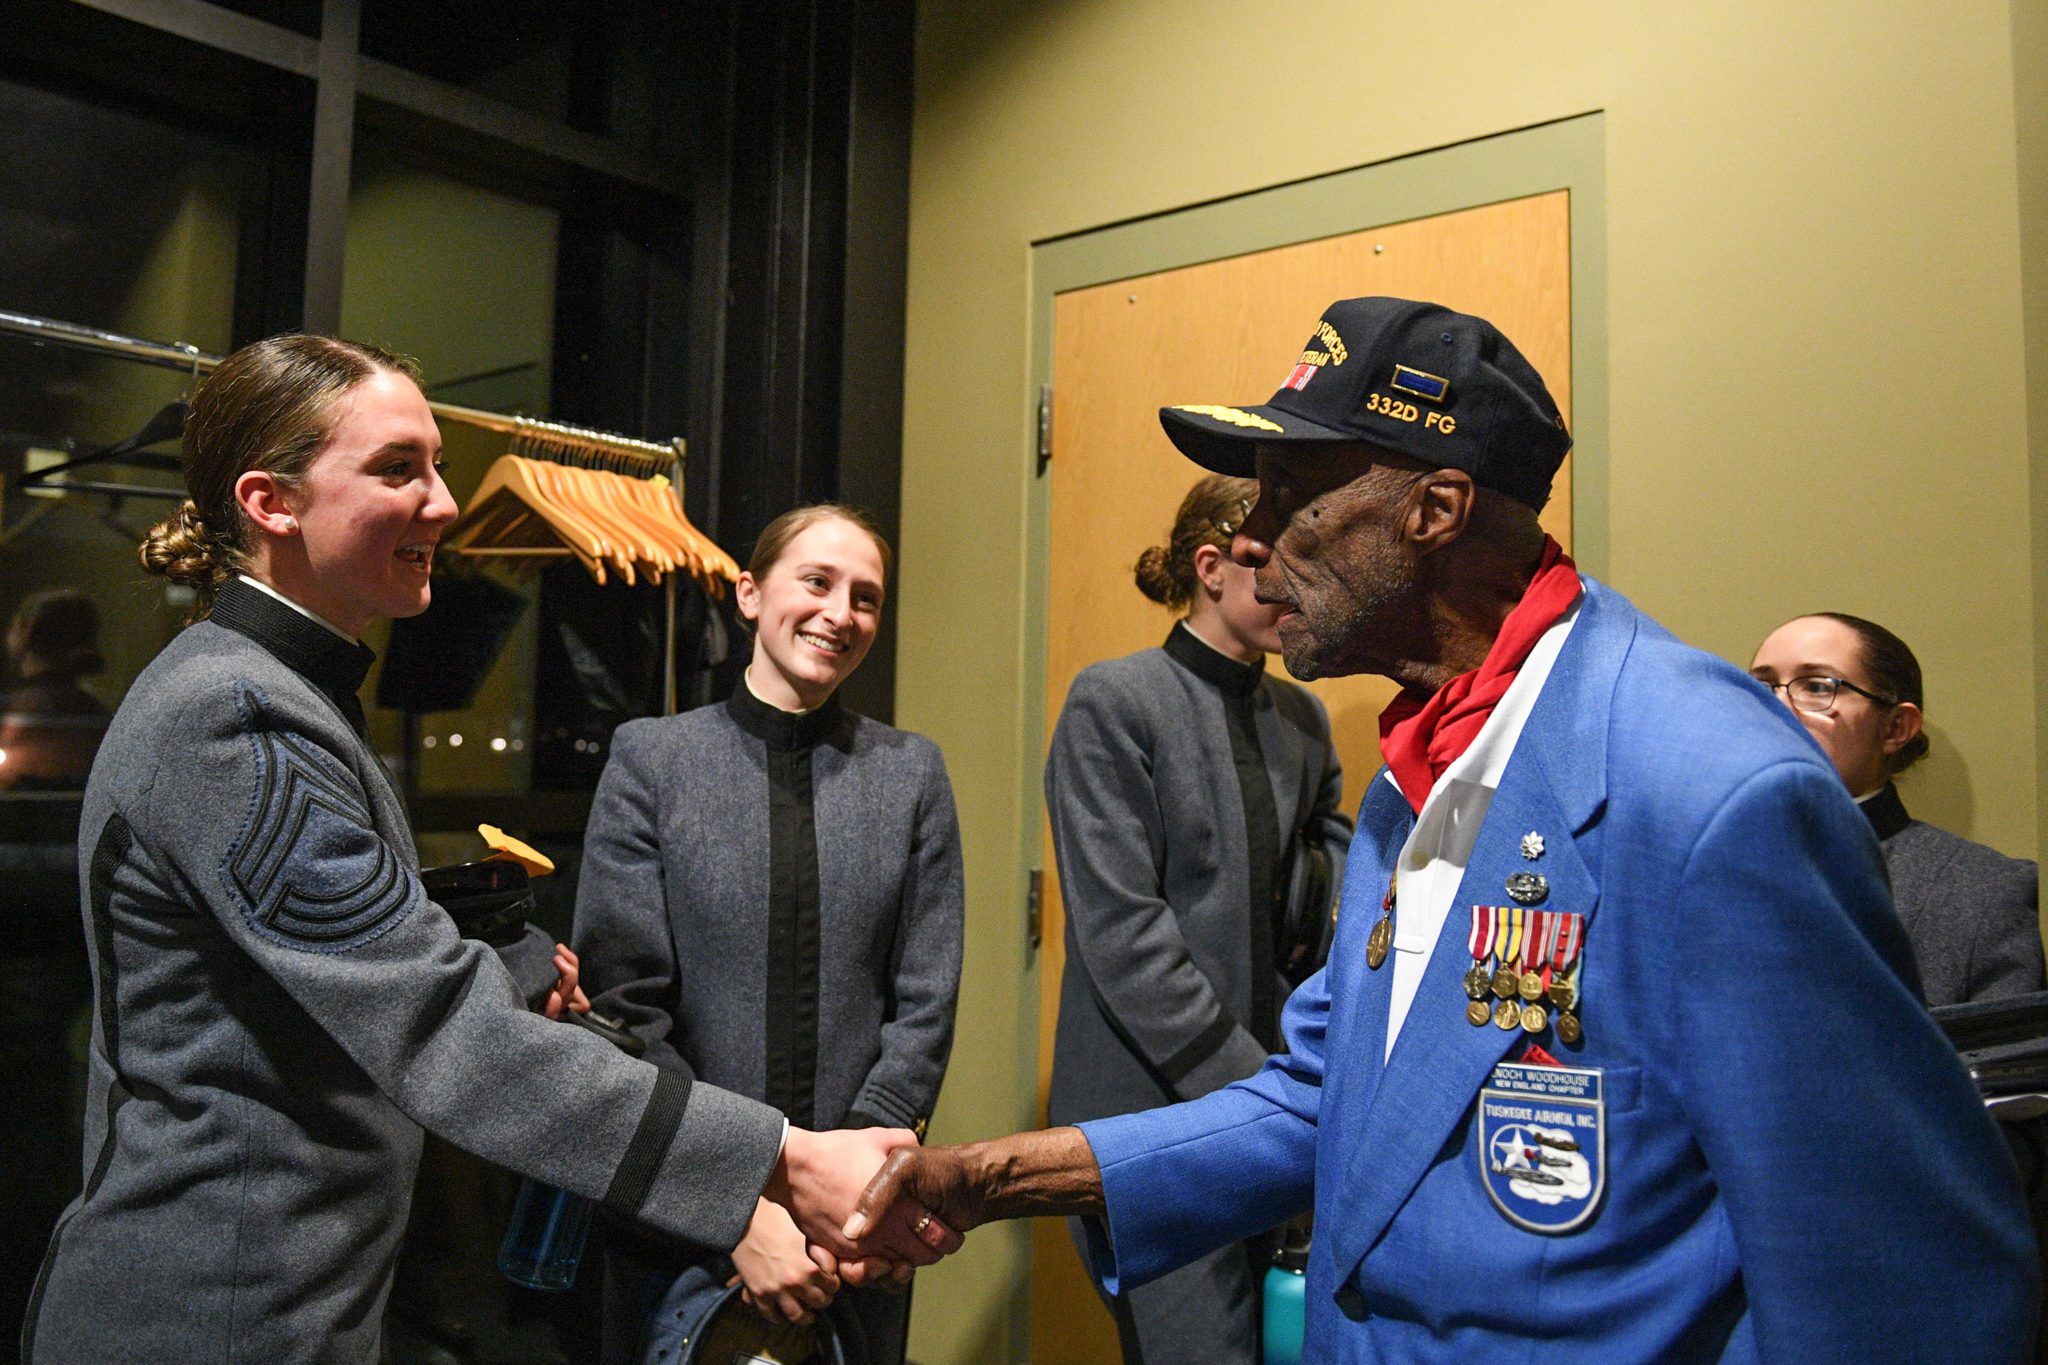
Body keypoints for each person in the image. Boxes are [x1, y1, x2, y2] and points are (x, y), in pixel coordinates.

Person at [844, 297, 2040, 1360]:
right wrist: (986, 1178)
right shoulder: (1418, 768)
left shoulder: (1708, 785)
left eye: (1294, 493)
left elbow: (1895, 1274)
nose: (1254, 537)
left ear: (1433, 508)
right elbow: (1330, 1096)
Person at [21, 335, 942, 1365]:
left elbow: (323, 963)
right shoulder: (236, 718)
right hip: (204, 1313)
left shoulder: (275, 693)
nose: (445, 505)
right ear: (270, 503)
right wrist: (772, 1159)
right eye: (396, 469)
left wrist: (495, 957)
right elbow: (439, 1031)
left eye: (439, 467)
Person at [575, 503, 964, 1365]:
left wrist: (850, 1209)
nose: (841, 612)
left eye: (866, 597)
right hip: (678, 1219)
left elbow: (925, 1006)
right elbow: (626, 1013)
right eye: (817, 581)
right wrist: (740, 1204)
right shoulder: (652, 759)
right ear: (750, 595)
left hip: (856, 1241)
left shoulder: (912, 775)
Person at [1044, 473, 1349, 1362]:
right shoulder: (1116, 699)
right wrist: (1266, 1094)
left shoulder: (1305, 717)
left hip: (1274, 1107)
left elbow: (1326, 901)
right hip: (1155, 1116)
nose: (1292, 580)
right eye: (1269, 559)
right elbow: (1124, 940)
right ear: (1210, 566)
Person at [1750, 612, 2043, 1006]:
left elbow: (2005, 1065)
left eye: (1817, 686)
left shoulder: (1983, 892)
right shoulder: (1687, 865)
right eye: (1761, 686)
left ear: (1895, 729)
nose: (1778, 706)